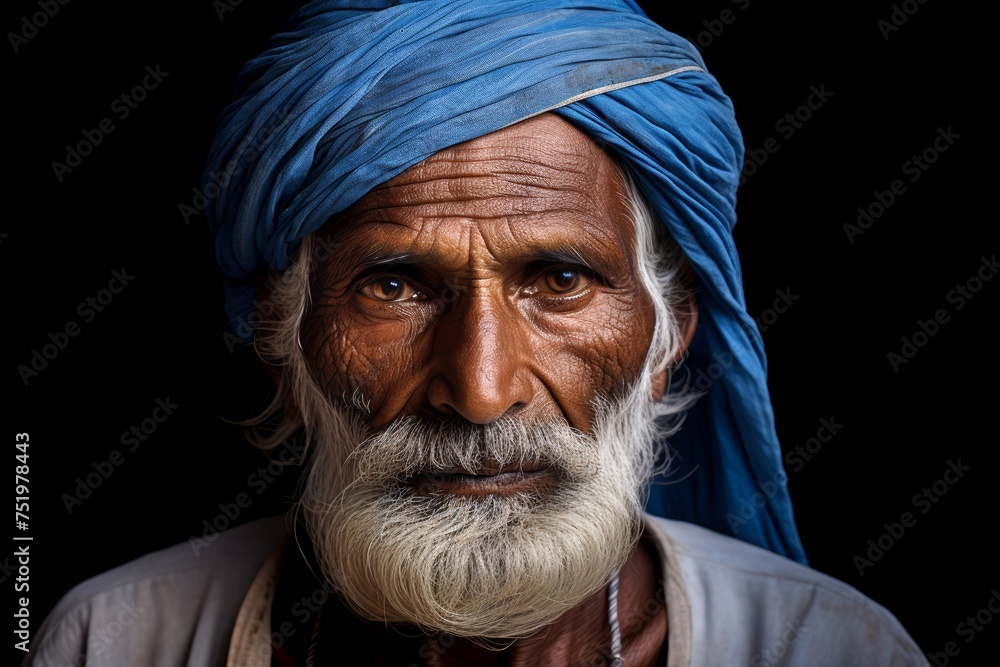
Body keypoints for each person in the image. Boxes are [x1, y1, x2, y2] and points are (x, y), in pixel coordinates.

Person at [23, 1, 927, 665]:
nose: (482, 386)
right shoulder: (113, 640)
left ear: (667, 337)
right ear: (283, 339)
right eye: (395, 285)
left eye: (561, 281)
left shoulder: (833, 649)